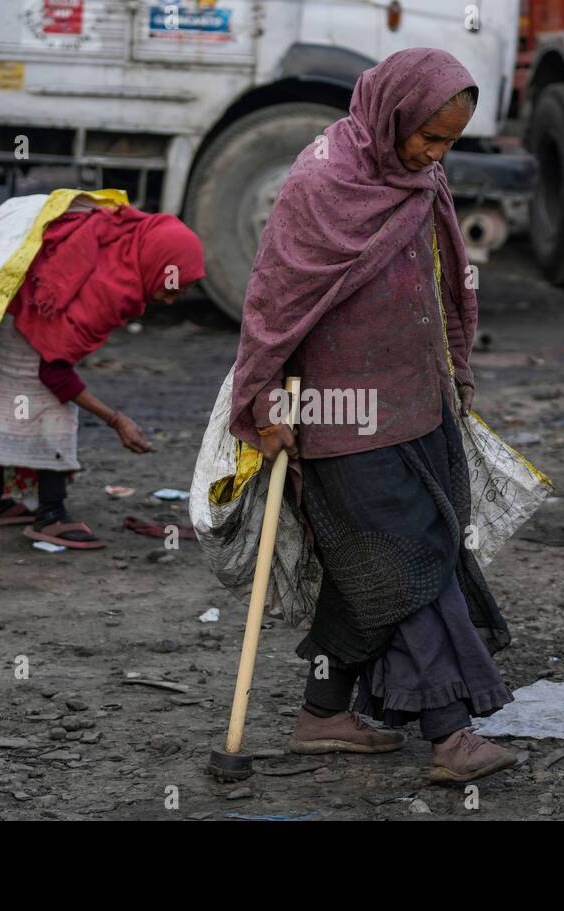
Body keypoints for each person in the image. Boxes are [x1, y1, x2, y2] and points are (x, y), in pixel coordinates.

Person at [229, 48, 517, 783]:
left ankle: (323, 710)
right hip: (340, 414)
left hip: (416, 401)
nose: (432, 153)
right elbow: (273, 303)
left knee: (372, 561)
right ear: (392, 111)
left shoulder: (417, 177)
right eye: (427, 136)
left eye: (447, 142)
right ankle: (450, 734)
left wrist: (456, 365)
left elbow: (446, 276)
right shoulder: (321, 182)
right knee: (408, 559)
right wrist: (262, 402)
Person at [0, 204, 205, 549]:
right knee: (52, 408)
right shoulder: (108, 290)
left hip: (16, 307)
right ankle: (50, 516)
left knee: (25, 405)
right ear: (158, 263)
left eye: (180, 294)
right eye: (172, 289)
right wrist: (116, 420)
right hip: (13, 317)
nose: (171, 301)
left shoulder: (127, 249)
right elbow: (54, 372)